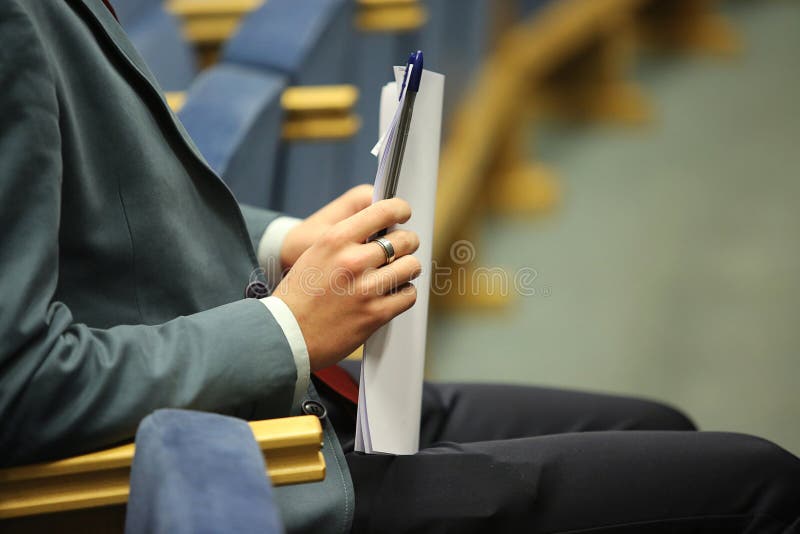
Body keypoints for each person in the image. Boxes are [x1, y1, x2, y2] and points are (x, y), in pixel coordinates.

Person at [0, 2, 797, 533]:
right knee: (761, 486)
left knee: (657, 426)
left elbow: (113, 202)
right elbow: (19, 387)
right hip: (250, 469)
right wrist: (287, 328)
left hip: (286, 400)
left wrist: (288, 243)